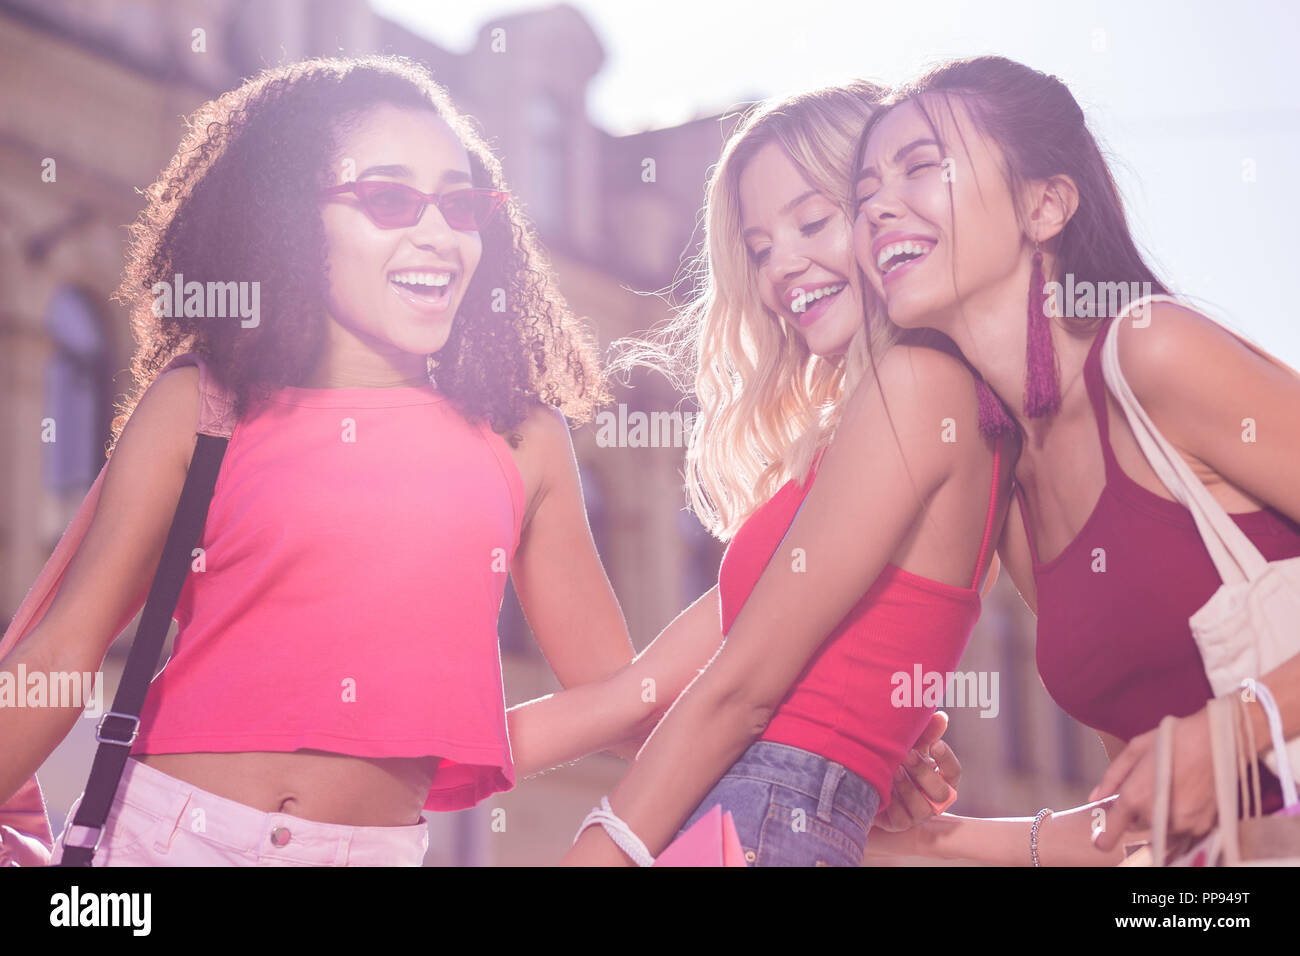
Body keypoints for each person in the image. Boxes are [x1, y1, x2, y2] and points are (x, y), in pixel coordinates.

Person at [0, 54, 642, 866]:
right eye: (388, 198)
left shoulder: (522, 441)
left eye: (460, 203)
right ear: (291, 219)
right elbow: (62, 657)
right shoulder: (201, 407)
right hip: (162, 847)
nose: (438, 234)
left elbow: (624, 703)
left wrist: (752, 627)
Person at [851, 56, 1300, 865]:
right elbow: (1136, 825)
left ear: (1045, 204)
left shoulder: (1151, 353)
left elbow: (1208, 763)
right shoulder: (1016, 499)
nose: (879, 206)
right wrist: (901, 837)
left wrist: (1242, 725)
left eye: (920, 167)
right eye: (863, 195)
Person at [561, 81, 1015, 866]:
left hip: (758, 817)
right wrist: (423, 749)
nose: (783, 267)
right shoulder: (833, 468)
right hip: (736, 816)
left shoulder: (921, 386)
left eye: (812, 221)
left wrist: (600, 848)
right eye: (760, 247)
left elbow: (740, 694)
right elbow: (634, 699)